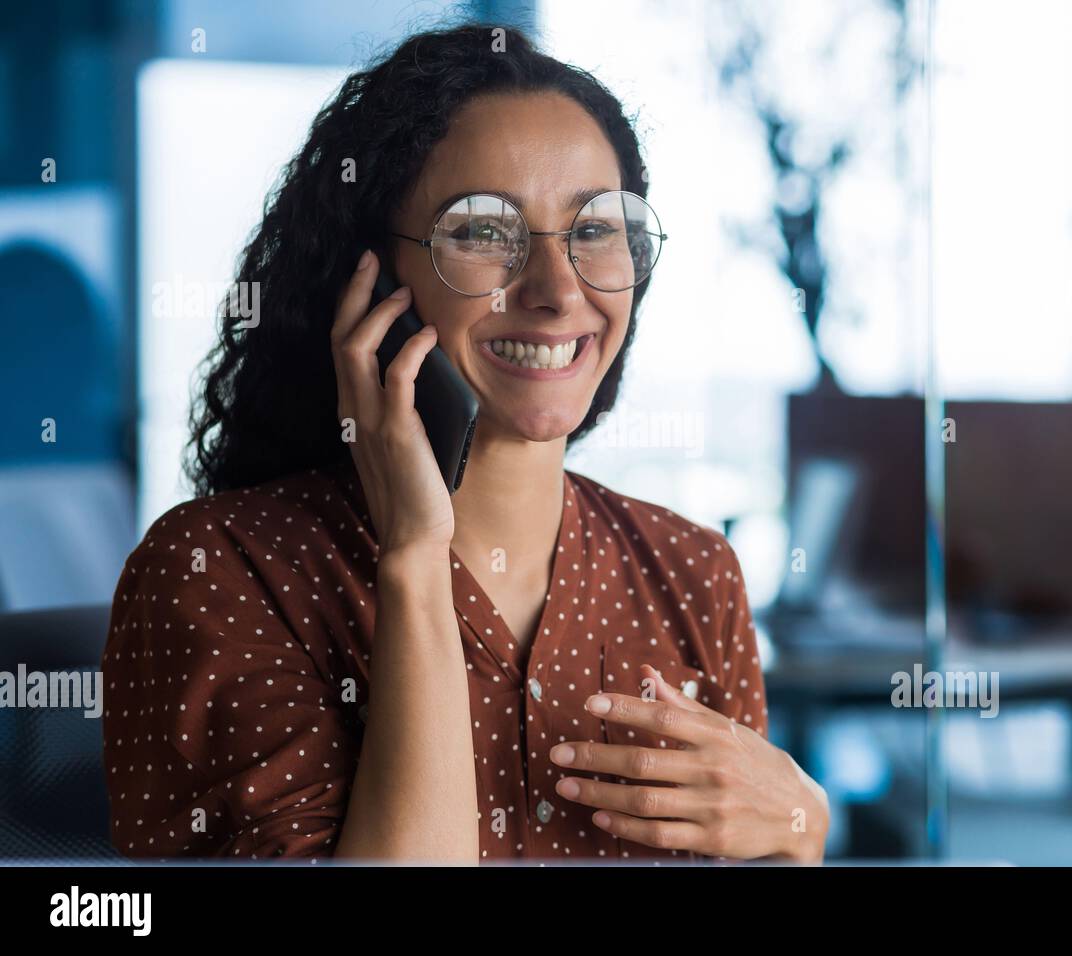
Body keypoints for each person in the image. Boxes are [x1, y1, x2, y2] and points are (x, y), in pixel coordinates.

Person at [102, 23, 828, 863]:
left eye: (595, 228)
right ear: (369, 282)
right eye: (483, 231)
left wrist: (802, 826)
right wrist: (414, 558)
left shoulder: (693, 573)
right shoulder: (219, 570)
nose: (559, 292)